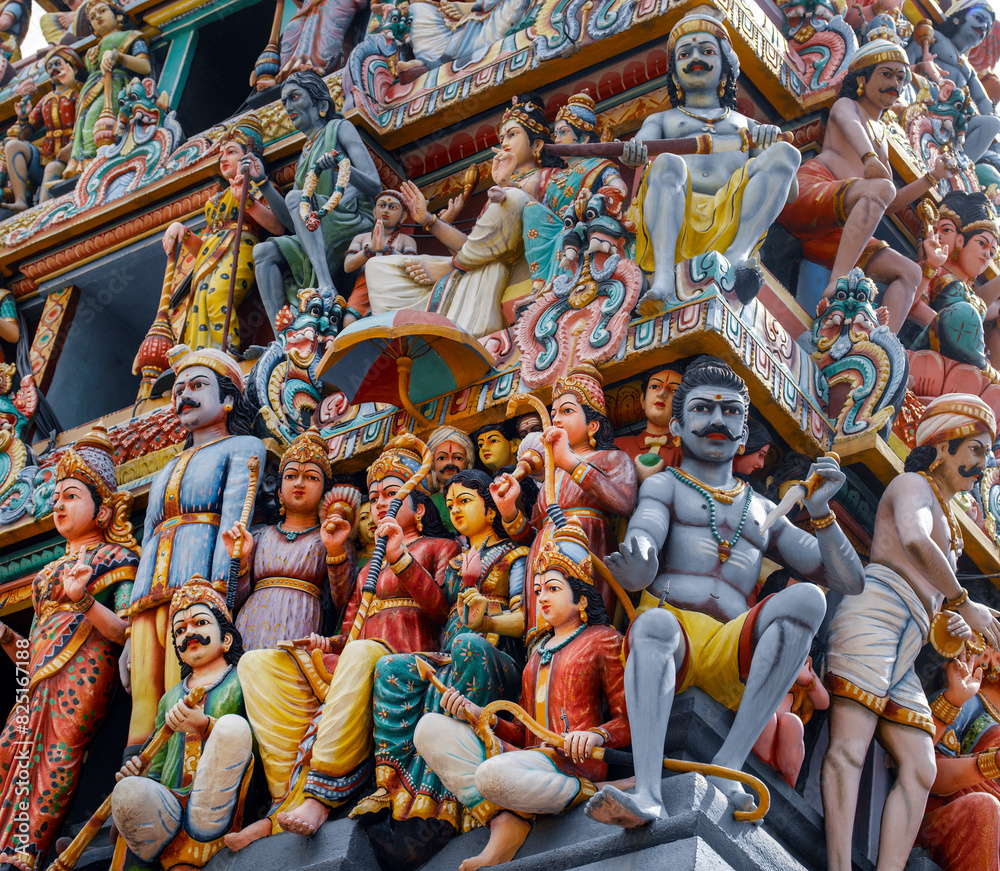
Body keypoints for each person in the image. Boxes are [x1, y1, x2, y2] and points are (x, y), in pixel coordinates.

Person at [584, 357, 865, 826]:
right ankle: (649, 793)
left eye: (731, 412)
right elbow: (646, 535)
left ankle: (728, 765)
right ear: (677, 425)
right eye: (702, 410)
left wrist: (822, 512)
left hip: (731, 647)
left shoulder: (763, 510)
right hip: (672, 634)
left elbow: (847, 580)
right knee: (652, 622)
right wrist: (640, 562)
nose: (717, 421)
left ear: (743, 429)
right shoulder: (666, 487)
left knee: (810, 598)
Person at [226, 437, 461, 849]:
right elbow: (350, 626)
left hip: (405, 659)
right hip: (355, 656)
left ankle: (318, 796)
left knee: (362, 651)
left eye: (393, 494)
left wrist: (402, 559)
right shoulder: (370, 564)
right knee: (258, 664)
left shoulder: (439, 547)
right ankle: (285, 797)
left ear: (420, 508)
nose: (379, 504)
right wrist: (322, 642)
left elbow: (442, 608)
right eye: (374, 497)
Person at [822, 394, 1000, 871]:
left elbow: (933, 603)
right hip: (876, 615)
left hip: (909, 637)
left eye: (988, 455)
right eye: (976, 450)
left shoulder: (949, 518)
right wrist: (964, 601)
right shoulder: (912, 486)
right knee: (850, 748)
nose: (982, 465)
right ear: (942, 445)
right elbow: (916, 540)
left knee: (921, 766)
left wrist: (953, 622)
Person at [414, 520, 629, 871]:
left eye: (553, 588)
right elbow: (524, 731)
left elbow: (629, 719)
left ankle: (588, 791)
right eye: (538, 588)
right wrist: (475, 713)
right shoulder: (537, 654)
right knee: (430, 729)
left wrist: (596, 734)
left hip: (571, 765)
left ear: (582, 598)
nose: (541, 597)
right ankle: (505, 818)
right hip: (529, 759)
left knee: (492, 776)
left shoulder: (602, 639)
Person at [352, 469, 528, 832]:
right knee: (391, 668)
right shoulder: (456, 562)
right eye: (450, 505)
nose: (456, 512)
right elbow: (437, 606)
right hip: (450, 655)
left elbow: (525, 618)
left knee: (467, 645)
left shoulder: (515, 554)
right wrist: (400, 557)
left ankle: (452, 789)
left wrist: (488, 623)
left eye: (465, 501)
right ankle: (392, 783)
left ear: (491, 508)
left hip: (495, 658)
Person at [0, 425, 139, 871]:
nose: (59, 505)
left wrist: (82, 599)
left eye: (73, 496)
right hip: (38, 676)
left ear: (102, 511)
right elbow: (30, 651)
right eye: (57, 497)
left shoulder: (116, 559)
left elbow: (124, 631)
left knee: (57, 756)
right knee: (10, 747)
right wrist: (6, 640)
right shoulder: (45, 576)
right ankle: (6, 844)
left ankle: (30, 850)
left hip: (86, 669)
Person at [123, 346, 264, 751]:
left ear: (228, 398)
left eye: (198, 385)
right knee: (143, 692)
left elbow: (234, 523)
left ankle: (176, 777)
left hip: (200, 586)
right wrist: (133, 622)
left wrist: (220, 597)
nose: (184, 394)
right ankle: (133, 776)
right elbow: (148, 535)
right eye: (179, 388)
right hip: (150, 589)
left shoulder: (243, 448)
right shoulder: (165, 468)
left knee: (183, 682)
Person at [620, 6, 800, 305]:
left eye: (706, 51)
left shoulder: (747, 126)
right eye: (685, 55)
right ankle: (663, 275)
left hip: (730, 214)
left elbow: (790, 192)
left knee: (786, 152)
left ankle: (738, 254)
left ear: (725, 66)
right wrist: (634, 152)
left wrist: (769, 147)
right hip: (673, 210)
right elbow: (636, 152)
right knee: (666, 162)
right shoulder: (663, 120)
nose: (696, 59)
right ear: (675, 74)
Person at [776, 40, 955, 331]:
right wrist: (869, 159)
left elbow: (891, 202)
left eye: (900, 77)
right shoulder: (848, 106)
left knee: (908, 271)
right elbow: (850, 126)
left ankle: (880, 346)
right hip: (811, 194)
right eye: (886, 74)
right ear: (862, 78)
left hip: (840, 234)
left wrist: (931, 178)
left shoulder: (882, 135)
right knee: (878, 188)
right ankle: (838, 285)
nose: (894, 83)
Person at [364, 96, 560, 338]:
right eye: (501, 138)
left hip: (518, 266)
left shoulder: (551, 177)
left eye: (513, 135)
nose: (505, 143)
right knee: (377, 268)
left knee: (514, 198)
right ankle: (413, 328)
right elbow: (476, 247)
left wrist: (509, 186)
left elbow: (548, 227)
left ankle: (449, 268)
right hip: (475, 267)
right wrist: (429, 220)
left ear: (537, 144)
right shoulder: (498, 193)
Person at [111, 581, 253, 870]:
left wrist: (205, 727)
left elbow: (258, 743)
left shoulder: (242, 679)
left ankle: (199, 834)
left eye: (200, 622)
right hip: (170, 809)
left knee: (232, 729)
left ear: (226, 639)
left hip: (217, 806)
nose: (189, 633)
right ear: (177, 649)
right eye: (179, 630)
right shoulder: (170, 697)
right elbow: (158, 760)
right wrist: (142, 771)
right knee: (127, 792)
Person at [492, 365, 637, 645]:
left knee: (583, 637)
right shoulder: (551, 474)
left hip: (587, 545)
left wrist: (571, 461)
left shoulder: (610, 459)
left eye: (567, 411)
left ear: (592, 425)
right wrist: (509, 510)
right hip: (542, 559)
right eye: (554, 412)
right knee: (542, 646)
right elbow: (532, 533)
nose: (556, 420)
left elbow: (623, 502)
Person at [251, 70, 382, 327]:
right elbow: (293, 222)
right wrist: (262, 182)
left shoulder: (339, 128)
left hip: (350, 216)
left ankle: (325, 286)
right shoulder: (304, 155)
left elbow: (374, 184)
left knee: (296, 196)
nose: (287, 106)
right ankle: (282, 334)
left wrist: (342, 166)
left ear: (320, 104)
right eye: (284, 102)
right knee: (263, 251)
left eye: (294, 96)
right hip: (319, 225)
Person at [158, 117, 283, 353]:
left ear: (248, 157)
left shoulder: (258, 187)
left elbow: (277, 227)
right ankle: (199, 357)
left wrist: (247, 201)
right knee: (199, 302)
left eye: (231, 152)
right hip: (210, 254)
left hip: (241, 244)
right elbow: (203, 247)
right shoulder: (214, 201)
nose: (223, 158)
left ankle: (225, 355)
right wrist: (183, 232)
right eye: (221, 154)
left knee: (218, 297)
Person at [223, 428, 353, 650]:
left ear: (324, 492)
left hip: (300, 624)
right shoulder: (259, 537)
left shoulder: (334, 538)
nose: (299, 483)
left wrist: (334, 551)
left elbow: (344, 603)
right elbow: (234, 601)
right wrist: (241, 560)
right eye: (291, 476)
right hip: (249, 627)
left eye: (311, 477)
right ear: (280, 491)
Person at [521, 90, 627, 288]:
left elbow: (617, 185)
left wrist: (610, 193)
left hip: (583, 218)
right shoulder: (555, 176)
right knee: (531, 209)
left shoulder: (599, 165)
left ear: (584, 138)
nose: (558, 139)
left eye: (564, 132)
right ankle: (539, 284)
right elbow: (543, 210)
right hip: (555, 227)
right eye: (555, 134)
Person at [918, 648, 1000, 871]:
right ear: (993, 656)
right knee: (983, 808)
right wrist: (992, 764)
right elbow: (924, 773)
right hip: (945, 817)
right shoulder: (964, 701)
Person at [913, 191, 1000, 376]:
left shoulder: (972, 294)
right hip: (926, 353)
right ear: (961, 241)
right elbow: (913, 304)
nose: (986, 255)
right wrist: (946, 324)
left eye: (991, 253)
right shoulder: (935, 271)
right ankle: (982, 369)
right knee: (964, 312)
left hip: (959, 366)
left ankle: (982, 371)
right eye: (982, 244)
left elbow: (991, 310)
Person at [906, 0, 1000, 161]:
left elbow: (982, 98)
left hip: (955, 120)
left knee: (992, 123)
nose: (984, 27)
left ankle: (956, 168)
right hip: (925, 100)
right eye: (979, 18)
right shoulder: (934, 36)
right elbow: (907, 60)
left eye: (988, 27)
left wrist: (994, 116)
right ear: (958, 17)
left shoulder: (969, 69)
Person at [65, 0, 150, 174]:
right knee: (83, 125)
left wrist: (118, 56)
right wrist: (71, 82)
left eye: (102, 11)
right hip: (91, 91)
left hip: (114, 85)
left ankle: (95, 162)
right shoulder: (90, 53)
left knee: (94, 121)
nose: (97, 17)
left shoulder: (131, 36)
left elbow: (145, 67)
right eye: (92, 17)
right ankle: (81, 167)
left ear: (118, 15)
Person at [4, 46, 84, 212]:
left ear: (73, 67)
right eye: (49, 67)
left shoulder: (79, 92)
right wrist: (23, 117)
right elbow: (24, 134)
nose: (53, 69)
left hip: (73, 152)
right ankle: (20, 201)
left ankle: (42, 212)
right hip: (47, 154)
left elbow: (86, 115)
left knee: (52, 168)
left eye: (57, 63)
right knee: (12, 145)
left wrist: (72, 144)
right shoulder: (45, 100)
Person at [342, 189, 416, 328]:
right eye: (382, 205)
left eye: (393, 207)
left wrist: (388, 250)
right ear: (374, 211)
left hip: (392, 286)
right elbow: (348, 266)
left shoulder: (406, 240)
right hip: (364, 285)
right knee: (349, 321)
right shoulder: (361, 238)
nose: (386, 210)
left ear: (403, 216)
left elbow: (413, 266)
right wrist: (370, 250)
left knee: (386, 324)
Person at [614, 364, 684, 480]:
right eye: (655, 386)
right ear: (642, 400)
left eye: (674, 390)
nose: (662, 394)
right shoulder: (617, 446)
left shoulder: (685, 452)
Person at [427, 425, 474, 533]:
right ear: (433, 464)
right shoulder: (429, 503)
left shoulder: (477, 495)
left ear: (468, 463)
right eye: (442, 458)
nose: (450, 463)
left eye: (458, 458)